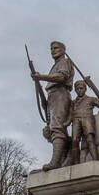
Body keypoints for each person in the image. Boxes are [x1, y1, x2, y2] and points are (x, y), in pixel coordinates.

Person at [30, 41, 74, 170]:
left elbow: (61, 77)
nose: (53, 51)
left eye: (56, 48)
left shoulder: (64, 62)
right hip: (52, 96)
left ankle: (55, 162)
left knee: (57, 127)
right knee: (49, 130)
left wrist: (41, 77)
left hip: (60, 93)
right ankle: (64, 155)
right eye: (51, 49)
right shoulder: (56, 65)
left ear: (63, 50)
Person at [70, 79, 99, 164]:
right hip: (76, 121)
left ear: (85, 89)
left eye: (81, 88)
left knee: (90, 139)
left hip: (87, 119)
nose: (80, 90)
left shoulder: (91, 99)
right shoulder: (72, 103)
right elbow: (69, 114)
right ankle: (76, 163)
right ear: (75, 90)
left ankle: (95, 160)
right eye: (78, 89)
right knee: (74, 140)